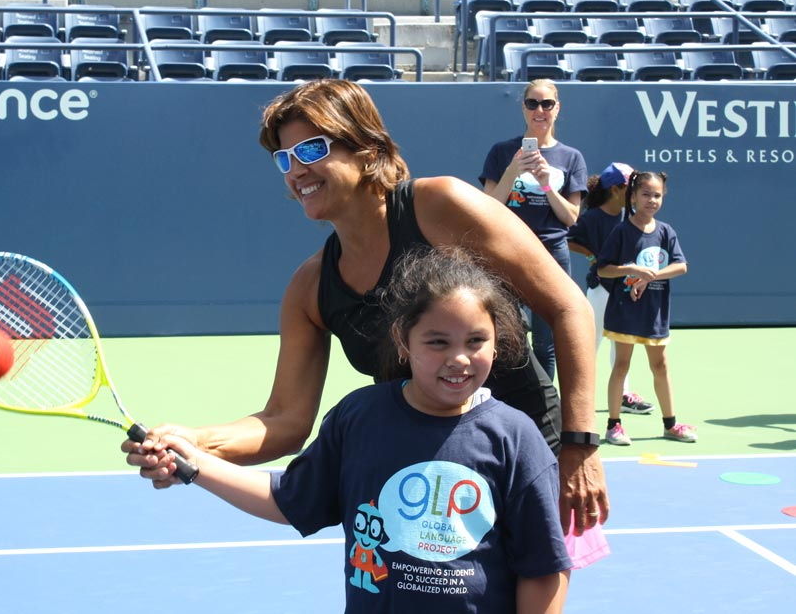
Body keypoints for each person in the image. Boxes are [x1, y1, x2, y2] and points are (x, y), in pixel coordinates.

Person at [124, 79, 608, 534]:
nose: (296, 171)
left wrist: (580, 444)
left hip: (523, 458)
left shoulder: (442, 205)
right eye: (284, 158)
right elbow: (285, 422)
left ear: (367, 149)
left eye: (311, 150)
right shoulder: (310, 287)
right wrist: (194, 442)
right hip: (429, 478)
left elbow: (569, 307)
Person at [161, 247, 572, 613]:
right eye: (437, 342)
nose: (459, 358)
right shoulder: (359, 417)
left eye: (476, 340)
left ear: (496, 343)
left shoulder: (516, 438)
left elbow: (543, 568)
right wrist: (195, 463)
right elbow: (289, 499)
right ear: (403, 341)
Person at [479, 79, 589, 383]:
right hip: (506, 249)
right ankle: (506, 402)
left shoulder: (571, 157)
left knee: (545, 341)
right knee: (505, 336)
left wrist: (546, 184)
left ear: (557, 108)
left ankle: (544, 405)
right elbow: (488, 207)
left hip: (551, 254)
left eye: (547, 104)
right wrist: (513, 170)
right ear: (523, 108)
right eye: (532, 103)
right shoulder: (502, 152)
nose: (540, 110)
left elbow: (571, 217)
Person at [596, 171, 695, 445]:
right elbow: (603, 269)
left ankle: (670, 425)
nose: (652, 200)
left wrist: (650, 276)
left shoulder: (666, 231)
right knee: (621, 365)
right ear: (633, 197)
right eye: (646, 194)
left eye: (657, 195)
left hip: (655, 312)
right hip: (624, 311)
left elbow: (681, 266)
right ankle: (614, 425)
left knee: (660, 366)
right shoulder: (621, 231)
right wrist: (631, 270)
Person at [567, 162, 654, 417]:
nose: (636, 192)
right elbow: (567, 238)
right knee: (589, 342)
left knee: (622, 343)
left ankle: (624, 395)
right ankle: (576, 397)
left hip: (626, 290)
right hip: (601, 289)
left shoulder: (633, 216)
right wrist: (591, 253)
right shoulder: (592, 217)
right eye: (631, 187)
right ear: (615, 189)